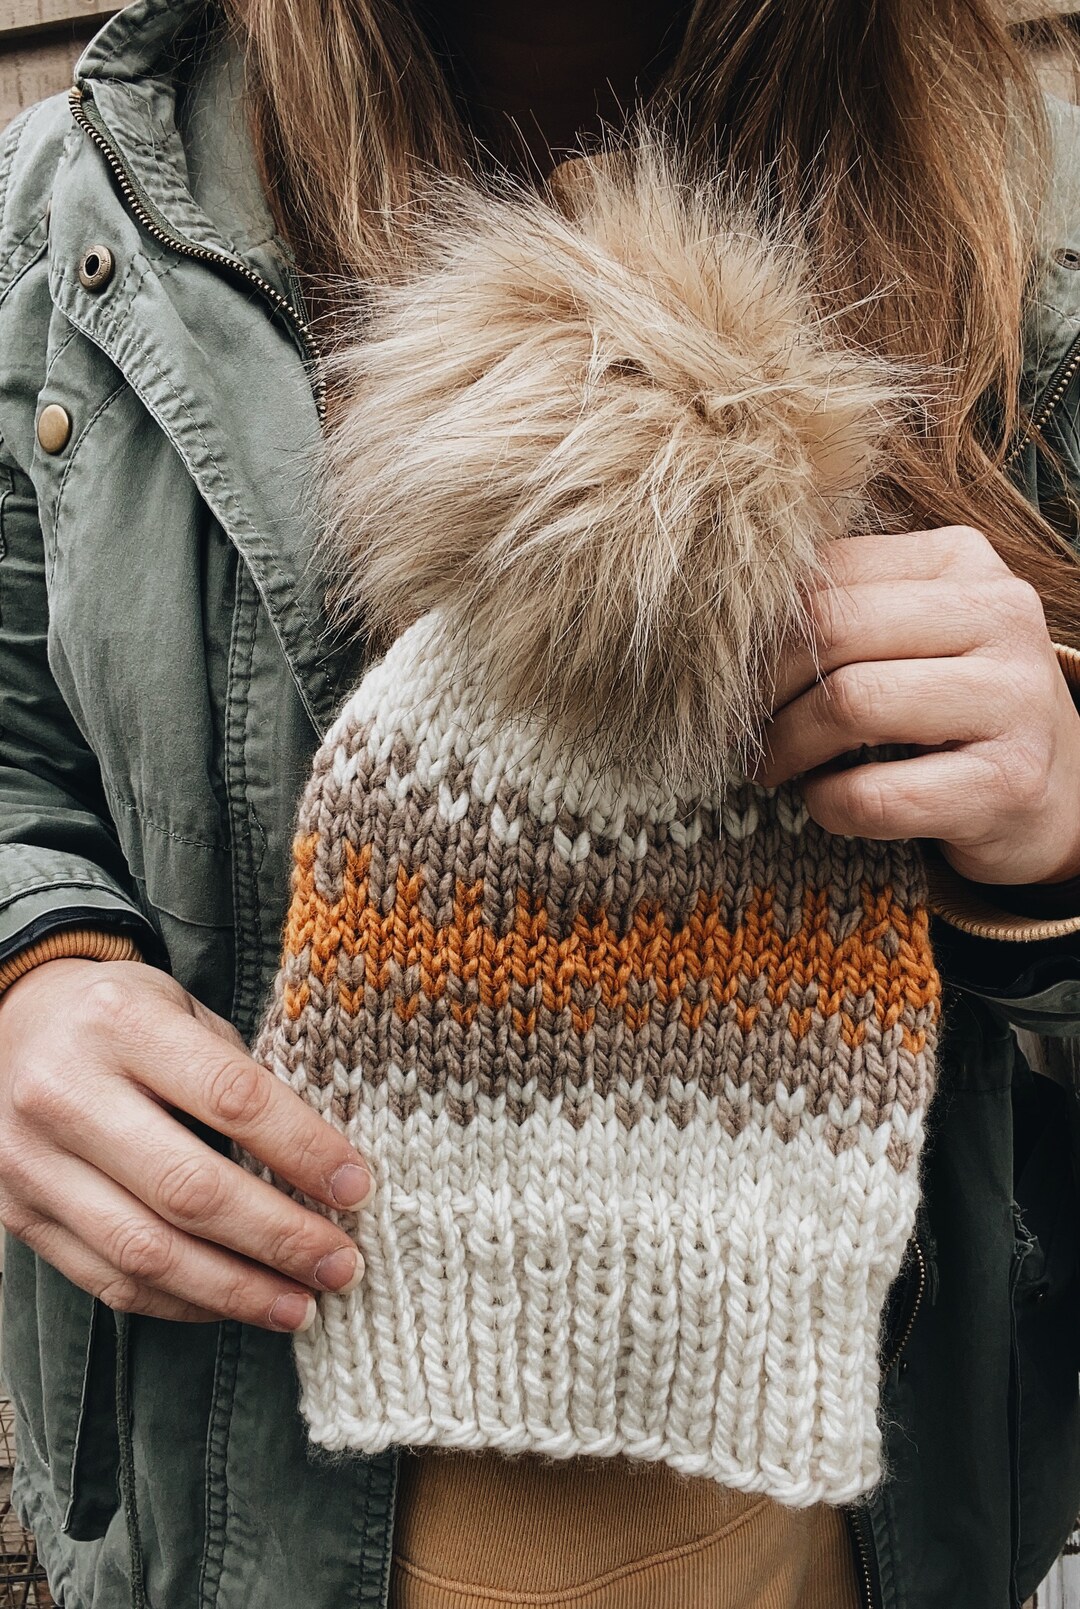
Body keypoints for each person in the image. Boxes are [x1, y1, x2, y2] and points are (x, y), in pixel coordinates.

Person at [1, 1, 1080, 1605]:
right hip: (231, 1513)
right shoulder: (75, 205)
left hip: (834, 1541)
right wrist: (31, 965)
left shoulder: (1027, 218)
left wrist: (1059, 840)